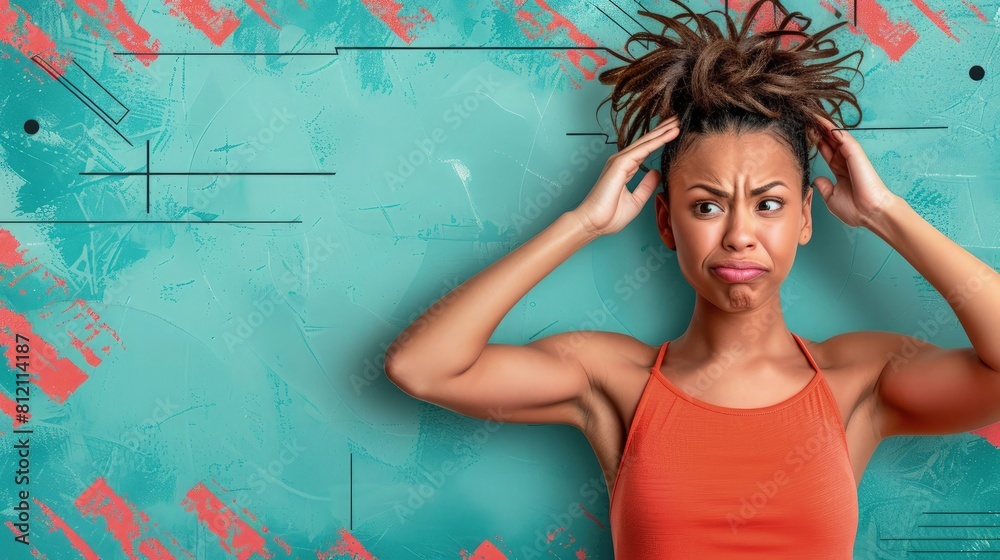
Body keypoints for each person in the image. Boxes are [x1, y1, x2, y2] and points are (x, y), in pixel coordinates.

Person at [383, 0, 1000, 557]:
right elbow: (424, 367)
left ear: (806, 217)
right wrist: (582, 224)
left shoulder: (859, 380)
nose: (738, 234)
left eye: (769, 203)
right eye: (706, 205)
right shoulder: (610, 379)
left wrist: (885, 214)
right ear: (665, 220)